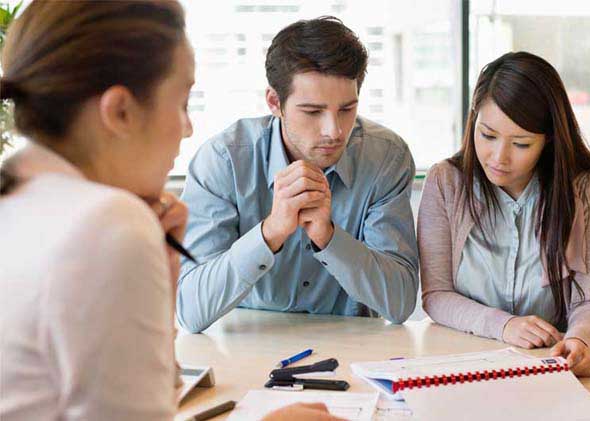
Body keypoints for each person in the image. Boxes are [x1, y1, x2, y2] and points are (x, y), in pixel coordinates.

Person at [0, 1, 341, 420]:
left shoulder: (21, 196)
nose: (188, 127)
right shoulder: (106, 223)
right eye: (182, 101)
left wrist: (162, 281)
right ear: (120, 111)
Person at [176, 16, 419, 333]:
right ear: (274, 102)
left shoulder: (386, 157)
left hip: (351, 349)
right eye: (313, 111)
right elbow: (191, 310)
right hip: (250, 346)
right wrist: (271, 233)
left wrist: (328, 237)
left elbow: (400, 304)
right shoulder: (224, 160)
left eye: (347, 109)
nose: (334, 131)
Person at [418, 51, 590, 377]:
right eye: (487, 135)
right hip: (461, 360)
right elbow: (436, 295)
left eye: (521, 144)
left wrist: (581, 341)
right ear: (473, 120)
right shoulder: (445, 182)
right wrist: (503, 325)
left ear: (548, 139)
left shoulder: (586, 191)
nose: (499, 157)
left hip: (547, 366)